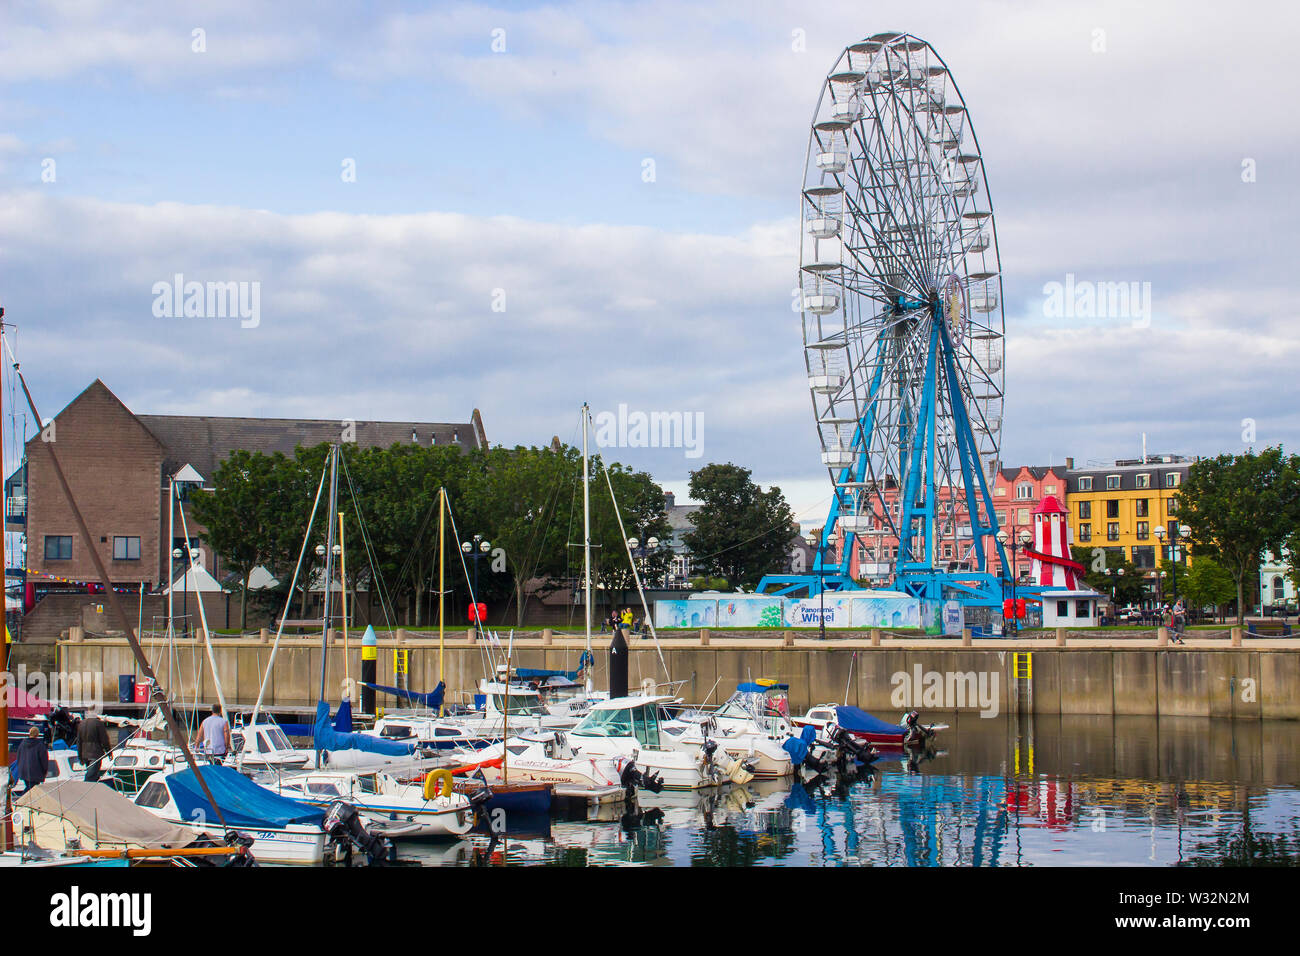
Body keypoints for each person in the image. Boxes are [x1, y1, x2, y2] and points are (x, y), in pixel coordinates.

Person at [77, 712, 112, 783]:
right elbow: (104, 740)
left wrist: (80, 757)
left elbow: (78, 742)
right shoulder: (98, 723)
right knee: (91, 776)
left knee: (93, 774)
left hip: (84, 753)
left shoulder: (81, 724)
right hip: (95, 752)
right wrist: (109, 752)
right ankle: (87, 789)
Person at [12, 727, 49, 794]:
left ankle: (24, 800)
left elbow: (19, 757)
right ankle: (21, 800)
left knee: (30, 788)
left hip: (23, 771)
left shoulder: (22, 744)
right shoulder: (40, 745)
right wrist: (44, 771)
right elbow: (44, 761)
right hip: (35, 772)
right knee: (31, 788)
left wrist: (20, 767)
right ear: (37, 734)